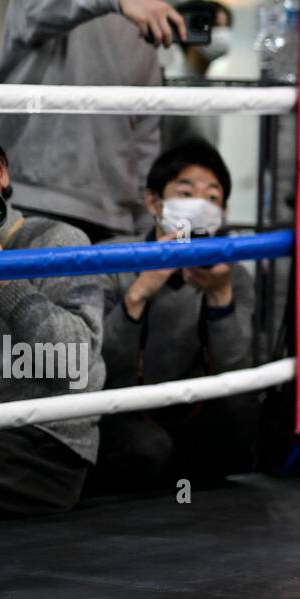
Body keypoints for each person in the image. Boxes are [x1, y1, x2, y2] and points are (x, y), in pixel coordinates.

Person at [0, 0, 187, 241]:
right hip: (28, 205)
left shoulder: (142, 11)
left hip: (114, 217)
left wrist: (147, 221)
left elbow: (144, 129)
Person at [84, 138, 258, 495]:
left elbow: (238, 380)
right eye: (186, 192)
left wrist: (219, 296)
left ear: (223, 212)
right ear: (153, 201)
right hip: (119, 410)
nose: (200, 205)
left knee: (245, 431)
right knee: (148, 450)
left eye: (212, 197)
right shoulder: (110, 260)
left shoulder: (233, 274)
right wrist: (138, 294)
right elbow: (93, 371)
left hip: (191, 411)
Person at [0, 120, 107, 518]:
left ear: (1, 170)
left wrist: (3, 282)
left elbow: (73, 365)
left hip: (45, 445)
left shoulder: (59, 242)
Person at [160, 0, 234, 150]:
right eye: (215, 27)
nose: (223, 35)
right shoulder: (175, 87)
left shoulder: (207, 86)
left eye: (226, 27)